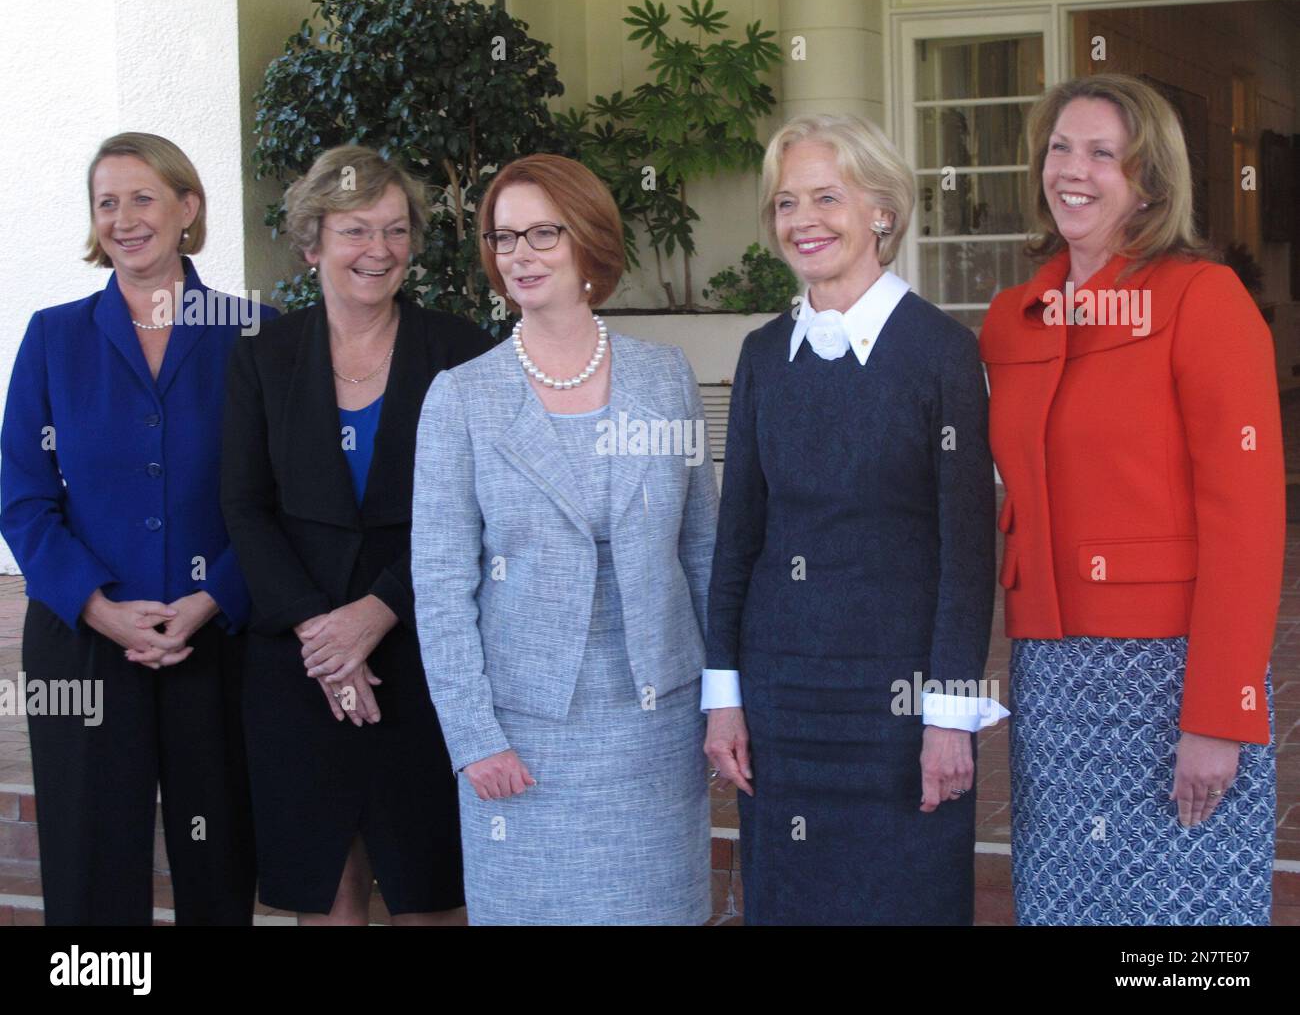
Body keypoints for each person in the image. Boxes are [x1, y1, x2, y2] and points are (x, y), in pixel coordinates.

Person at [980, 73, 1282, 925]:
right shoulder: (1013, 318)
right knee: (1066, 901)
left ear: (1148, 180)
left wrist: (1222, 713)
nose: (1072, 169)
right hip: (1052, 677)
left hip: (1173, 674)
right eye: (1060, 148)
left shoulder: (1202, 300)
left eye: (1102, 153)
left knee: (1182, 926)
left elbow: (1247, 522)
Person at [703, 114, 1000, 925]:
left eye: (826, 196)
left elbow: (966, 554)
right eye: (786, 202)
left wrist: (948, 717)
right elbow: (739, 540)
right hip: (782, 700)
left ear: (880, 210)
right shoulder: (764, 355)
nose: (803, 219)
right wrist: (723, 694)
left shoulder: (942, 352)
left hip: (898, 708)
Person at [412, 153, 717, 925]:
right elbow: (442, 586)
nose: (520, 253)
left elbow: (704, 551)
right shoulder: (462, 397)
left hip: (657, 726)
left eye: (542, 232)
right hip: (522, 736)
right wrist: (472, 737)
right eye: (503, 236)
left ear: (587, 241)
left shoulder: (666, 376)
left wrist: (724, 699)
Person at [220, 144, 492, 925]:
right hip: (297, 664)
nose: (378, 250)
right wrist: (323, 637)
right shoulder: (261, 359)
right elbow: (243, 507)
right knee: (327, 891)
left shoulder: (460, 349)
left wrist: (375, 614)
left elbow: (480, 510)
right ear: (312, 244)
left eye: (395, 230)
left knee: (431, 889)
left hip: (426, 650)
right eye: (355, 231)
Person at [0, 132, 262, 925]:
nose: (123, 218)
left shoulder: (257, 333)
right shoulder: (53, 336)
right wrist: (97, 606)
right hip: (83, 639)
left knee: (219, 867)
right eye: (106, 202)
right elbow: (22, 495)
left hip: (217, 641)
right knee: (87, 870)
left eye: (143, 197)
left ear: (187, 207)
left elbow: (283, 495)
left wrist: (212, 596)